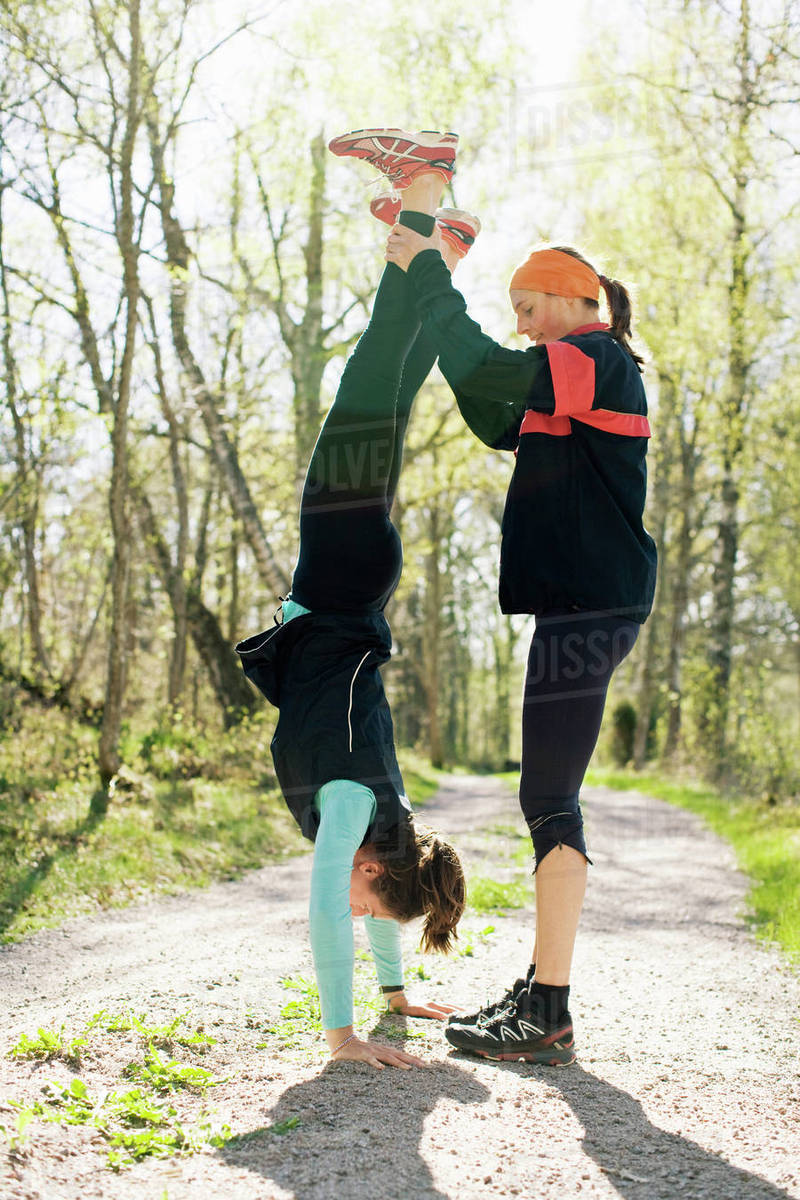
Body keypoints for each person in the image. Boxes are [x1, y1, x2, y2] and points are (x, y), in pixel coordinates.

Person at [385, 192, 657, 1064]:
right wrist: (426, 276)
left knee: (549, 798)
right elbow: (488, 393)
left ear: (581, 302)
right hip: (579, 603)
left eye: (532, 307)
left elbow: (502, 373)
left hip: (592, 603)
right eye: (519, 315)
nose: (526, 326)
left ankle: (550, 1006)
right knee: (546, 797)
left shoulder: (599, 360)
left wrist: (432, 268)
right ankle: (544, 992)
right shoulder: (558, 379)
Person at [236, 129, 481, 1070]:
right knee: (366, 386)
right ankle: (423, 186)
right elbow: (329, 909)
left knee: (382, 399)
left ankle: (437, 250)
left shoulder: (389, 826)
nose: (351, 898)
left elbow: (386, 904)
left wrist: (395, 991)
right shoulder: (351, 813)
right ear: (372, 869)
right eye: (365, 894)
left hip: (353, 579)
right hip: (339, 572)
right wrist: (342, 1034)